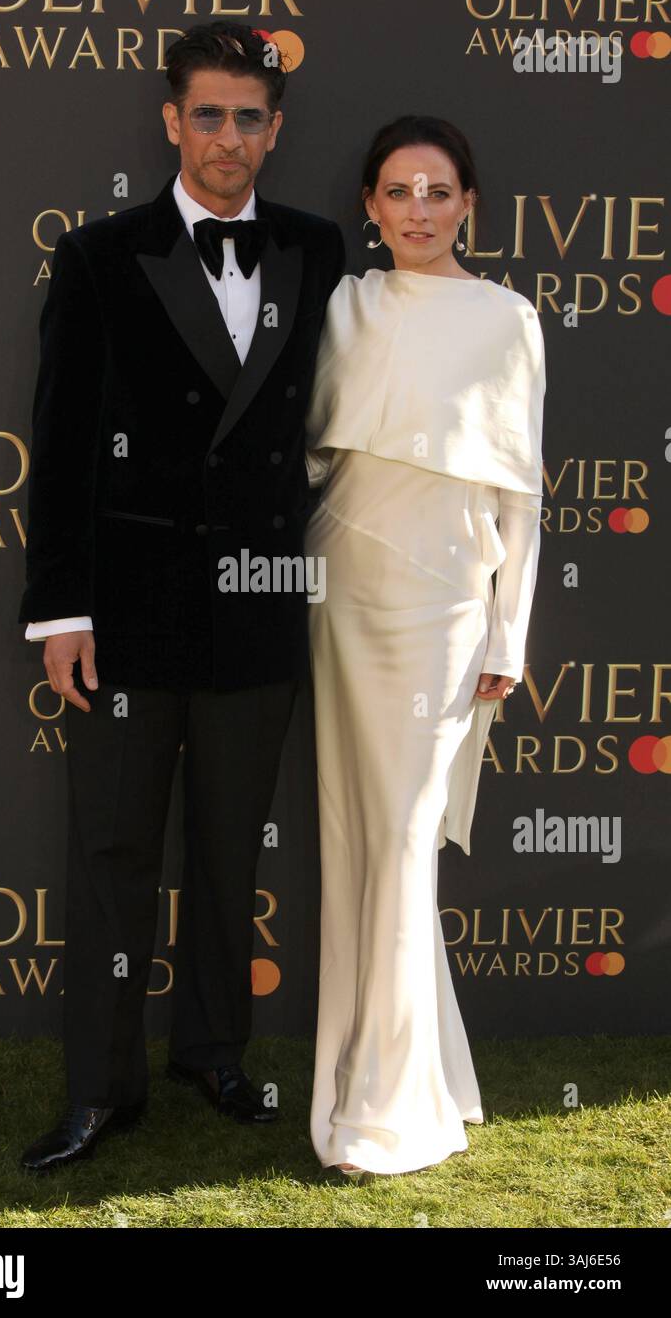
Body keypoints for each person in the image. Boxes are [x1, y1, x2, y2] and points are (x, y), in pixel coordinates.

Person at [17, 23, 345, 1172]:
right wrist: (60, 611)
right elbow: (57, 444)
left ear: (275, 130)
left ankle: (213, 1049)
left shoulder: (318, 247)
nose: (228, 137)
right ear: (171, 121)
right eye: (208, 114)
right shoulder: (102, 255)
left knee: (227, 852)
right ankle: (103, 1088)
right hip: (127, 616)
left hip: (258, 606)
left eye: (250, 117)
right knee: (112, 853)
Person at [303, 115, 546, 1177]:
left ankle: (387, 1106)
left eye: (438, 191)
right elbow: (305, 452)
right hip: (343, 589)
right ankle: (405, 1071)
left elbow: (521, 494)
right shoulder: (345, 308)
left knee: (402, 840)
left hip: (448, 600)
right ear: (370, 205)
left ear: (469, 205)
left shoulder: (508, 320)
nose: (419, 210)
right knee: (356, 838)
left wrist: (511, 626)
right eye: (398, 191)